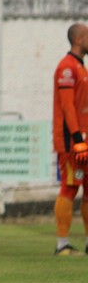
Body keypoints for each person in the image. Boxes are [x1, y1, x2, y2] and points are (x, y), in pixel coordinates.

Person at [53, 23, 88, 254]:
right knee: (69, 187)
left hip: (84, 140)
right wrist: (77, 140)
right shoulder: (67, 67)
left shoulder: (80, 68)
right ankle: (62, 244)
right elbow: (67, 106)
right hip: (71, 143)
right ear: (78, 39)